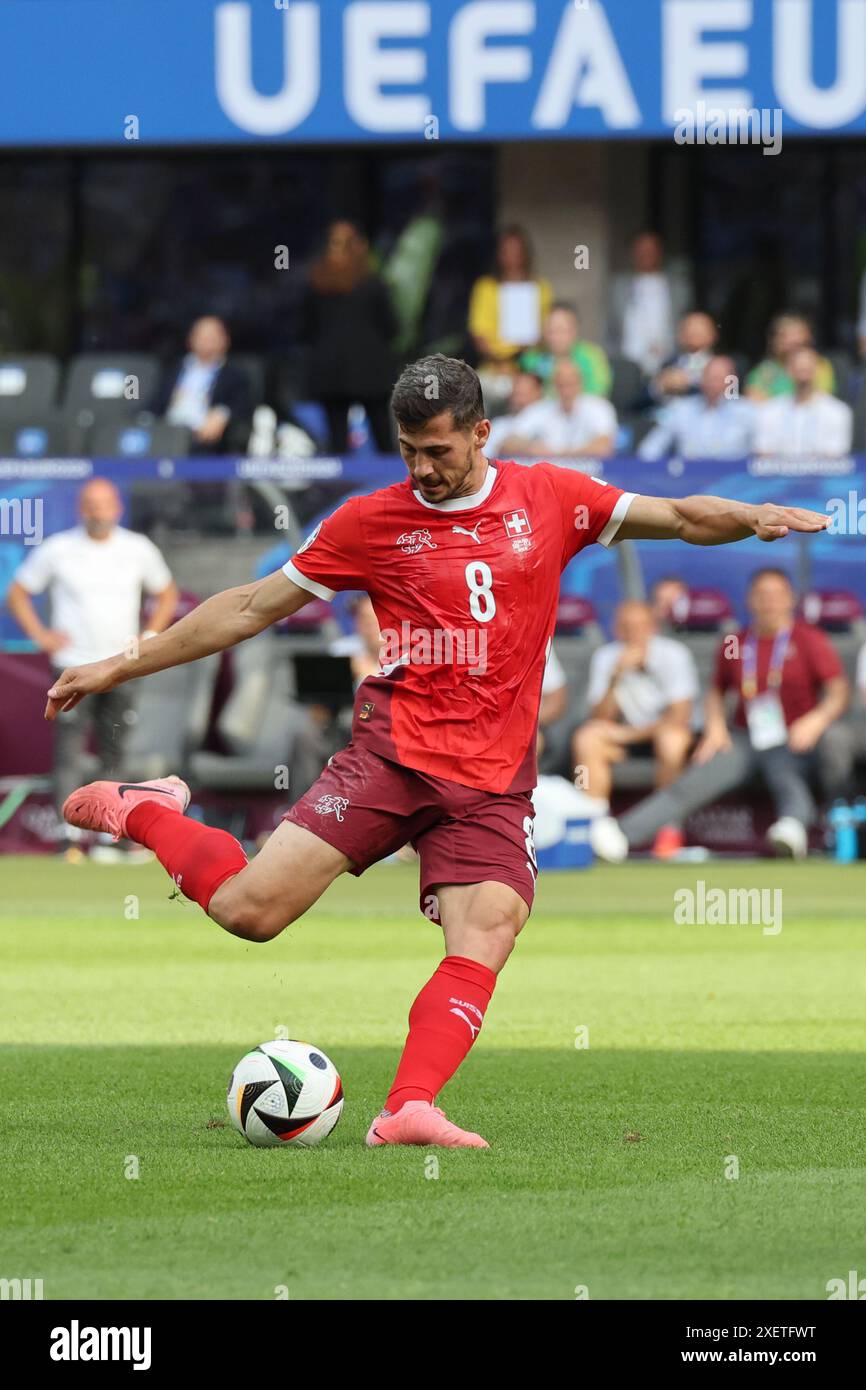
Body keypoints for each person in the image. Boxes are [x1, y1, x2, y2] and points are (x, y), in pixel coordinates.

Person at [49, 355, 829, 1149]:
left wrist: (751, 514)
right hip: (391, 757)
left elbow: (684, 518)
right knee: (251, 913)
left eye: (439, 452)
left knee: (489, 928)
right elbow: (249, 607)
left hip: (491, 781)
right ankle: (146, 811)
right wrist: (121, 662)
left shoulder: (551, 498)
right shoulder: (370, 522)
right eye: (409, 451)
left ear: (482, 433)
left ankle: (408, 1106)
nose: (423, 469)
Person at [592, 569, 851, 863]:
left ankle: (791, 829)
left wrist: (816, 720)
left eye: (776, 595)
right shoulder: (736, 642)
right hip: (744, 737)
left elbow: (838, 689)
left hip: (793, 738)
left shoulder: (808, 639)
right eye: (761, 595)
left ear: (790, 600)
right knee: (696, 779)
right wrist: (715, 726)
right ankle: (622, 834)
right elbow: (717, 691)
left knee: (786, 774)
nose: (769, 603)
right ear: (749, 601)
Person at [7, 478, 177, 848]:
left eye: (104, 504)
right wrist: (43, 637)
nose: (98, 512)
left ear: (117, 508)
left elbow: (166, 593)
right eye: (91, 504)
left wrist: (150, 636)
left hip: (121, 666)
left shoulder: (137, 548)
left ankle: (113, 835)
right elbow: (19, 593)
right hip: (72, 664)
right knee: (68, 746)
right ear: (81, 509)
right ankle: (68, 838)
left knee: (115, 746)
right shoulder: (58, 548)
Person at [571, 601, 698, 857]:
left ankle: (668, 829)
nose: (633, 634)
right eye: (626, 627)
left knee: (671, 741)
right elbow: (598, 717)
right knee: (586, 738)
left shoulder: (674, 654)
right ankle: (596, 829)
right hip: (626, 741)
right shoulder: (606, 657)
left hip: (663, 736)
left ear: (653, 628)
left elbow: (679, 716)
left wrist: (627, 734)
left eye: (640, 627)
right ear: (616, 630)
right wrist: (616, 677)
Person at [300, 219, 397, 453]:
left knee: (337, 445)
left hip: (331, 371)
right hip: (370, 371)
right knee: (384, 439)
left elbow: (306, 330)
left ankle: (340, 490)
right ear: (359, 247)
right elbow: (392, 328)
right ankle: (396, 489)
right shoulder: (373, 283)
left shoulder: (316, 283)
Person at [151, 315, 252, 453]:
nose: (205, 341)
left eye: (211, 336)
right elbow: (155, 404)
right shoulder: (172, 369)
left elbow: (243, 406)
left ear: (225, 340)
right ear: (191, 339)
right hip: (167, 433)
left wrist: (222, 415)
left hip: (204, 438)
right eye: (201, 336)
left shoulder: (235, 375)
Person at [468, 226, 553, 379]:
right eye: (507, 251)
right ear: (499, 254)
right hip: (494, 368)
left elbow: (547, 330)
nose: (512, 256)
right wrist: (501, 362)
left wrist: (525, 358)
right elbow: (479, 334)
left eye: (517, 251)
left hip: (533, 368)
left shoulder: (541, 287)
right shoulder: (486, 287)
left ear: (525, 253)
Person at [638, 356, 757, 461]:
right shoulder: (681, 409)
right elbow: (650, 450)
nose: (712, 383)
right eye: (708, 376)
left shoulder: (746, 411)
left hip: (732, 480)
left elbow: (763, 454)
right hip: (688, 480)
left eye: (718, 378)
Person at [607, 231, 689, 377]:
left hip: (669, 365)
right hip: (628, 364)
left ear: (660, 252)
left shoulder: (678, 287)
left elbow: (685, 324)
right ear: (632, 253)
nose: (645, 254)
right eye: (641, 250)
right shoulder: (619, 286)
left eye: (650, 250)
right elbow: (610, 328)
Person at [500, 358, 618, 458]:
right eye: (561, 384)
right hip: (549, 477)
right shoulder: (539, 409)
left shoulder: (599, 407)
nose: (566, 390)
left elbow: (605, 446)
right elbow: (508, 444)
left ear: (580, 382)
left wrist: (560, 455)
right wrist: (530, 447)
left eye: (570, 383)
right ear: (554, 384)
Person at [755, 347, 852, 458]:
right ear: (788, 371)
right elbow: (763, 455)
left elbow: (836, 458)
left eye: (807, 369)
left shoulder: (837, 411)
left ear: (817, 370)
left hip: (822, 475)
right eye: (798, 369)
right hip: (779, 475)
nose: (803, 376)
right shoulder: (769, 411)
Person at [519, 302, 612, 397]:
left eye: (561, 330)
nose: (556, 337)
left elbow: (598, 393)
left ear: (575, 330)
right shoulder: (532, 358)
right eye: (551, 330)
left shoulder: (592, 356)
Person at [746, 313, 834, 400]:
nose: (791, 340)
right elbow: (753, 400)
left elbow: (823, 399)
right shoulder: (764, 370)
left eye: (796, 334)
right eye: (783, 336)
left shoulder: (819, 365)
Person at [651, 312, 719, 402]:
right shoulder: (668, 365)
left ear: (713, 334)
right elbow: (641, 401)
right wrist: (661, 387)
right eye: (689, 328)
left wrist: (690, 384)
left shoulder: (725, 366)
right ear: (680, 335)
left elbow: (732, 397)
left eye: (699, 328)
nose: (693, 332)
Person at [484, 370, 545, 456]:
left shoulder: (547, 415)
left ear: (538, 393)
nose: (517, 398)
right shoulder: (499, 423)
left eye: (522, 393)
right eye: (515, 392)